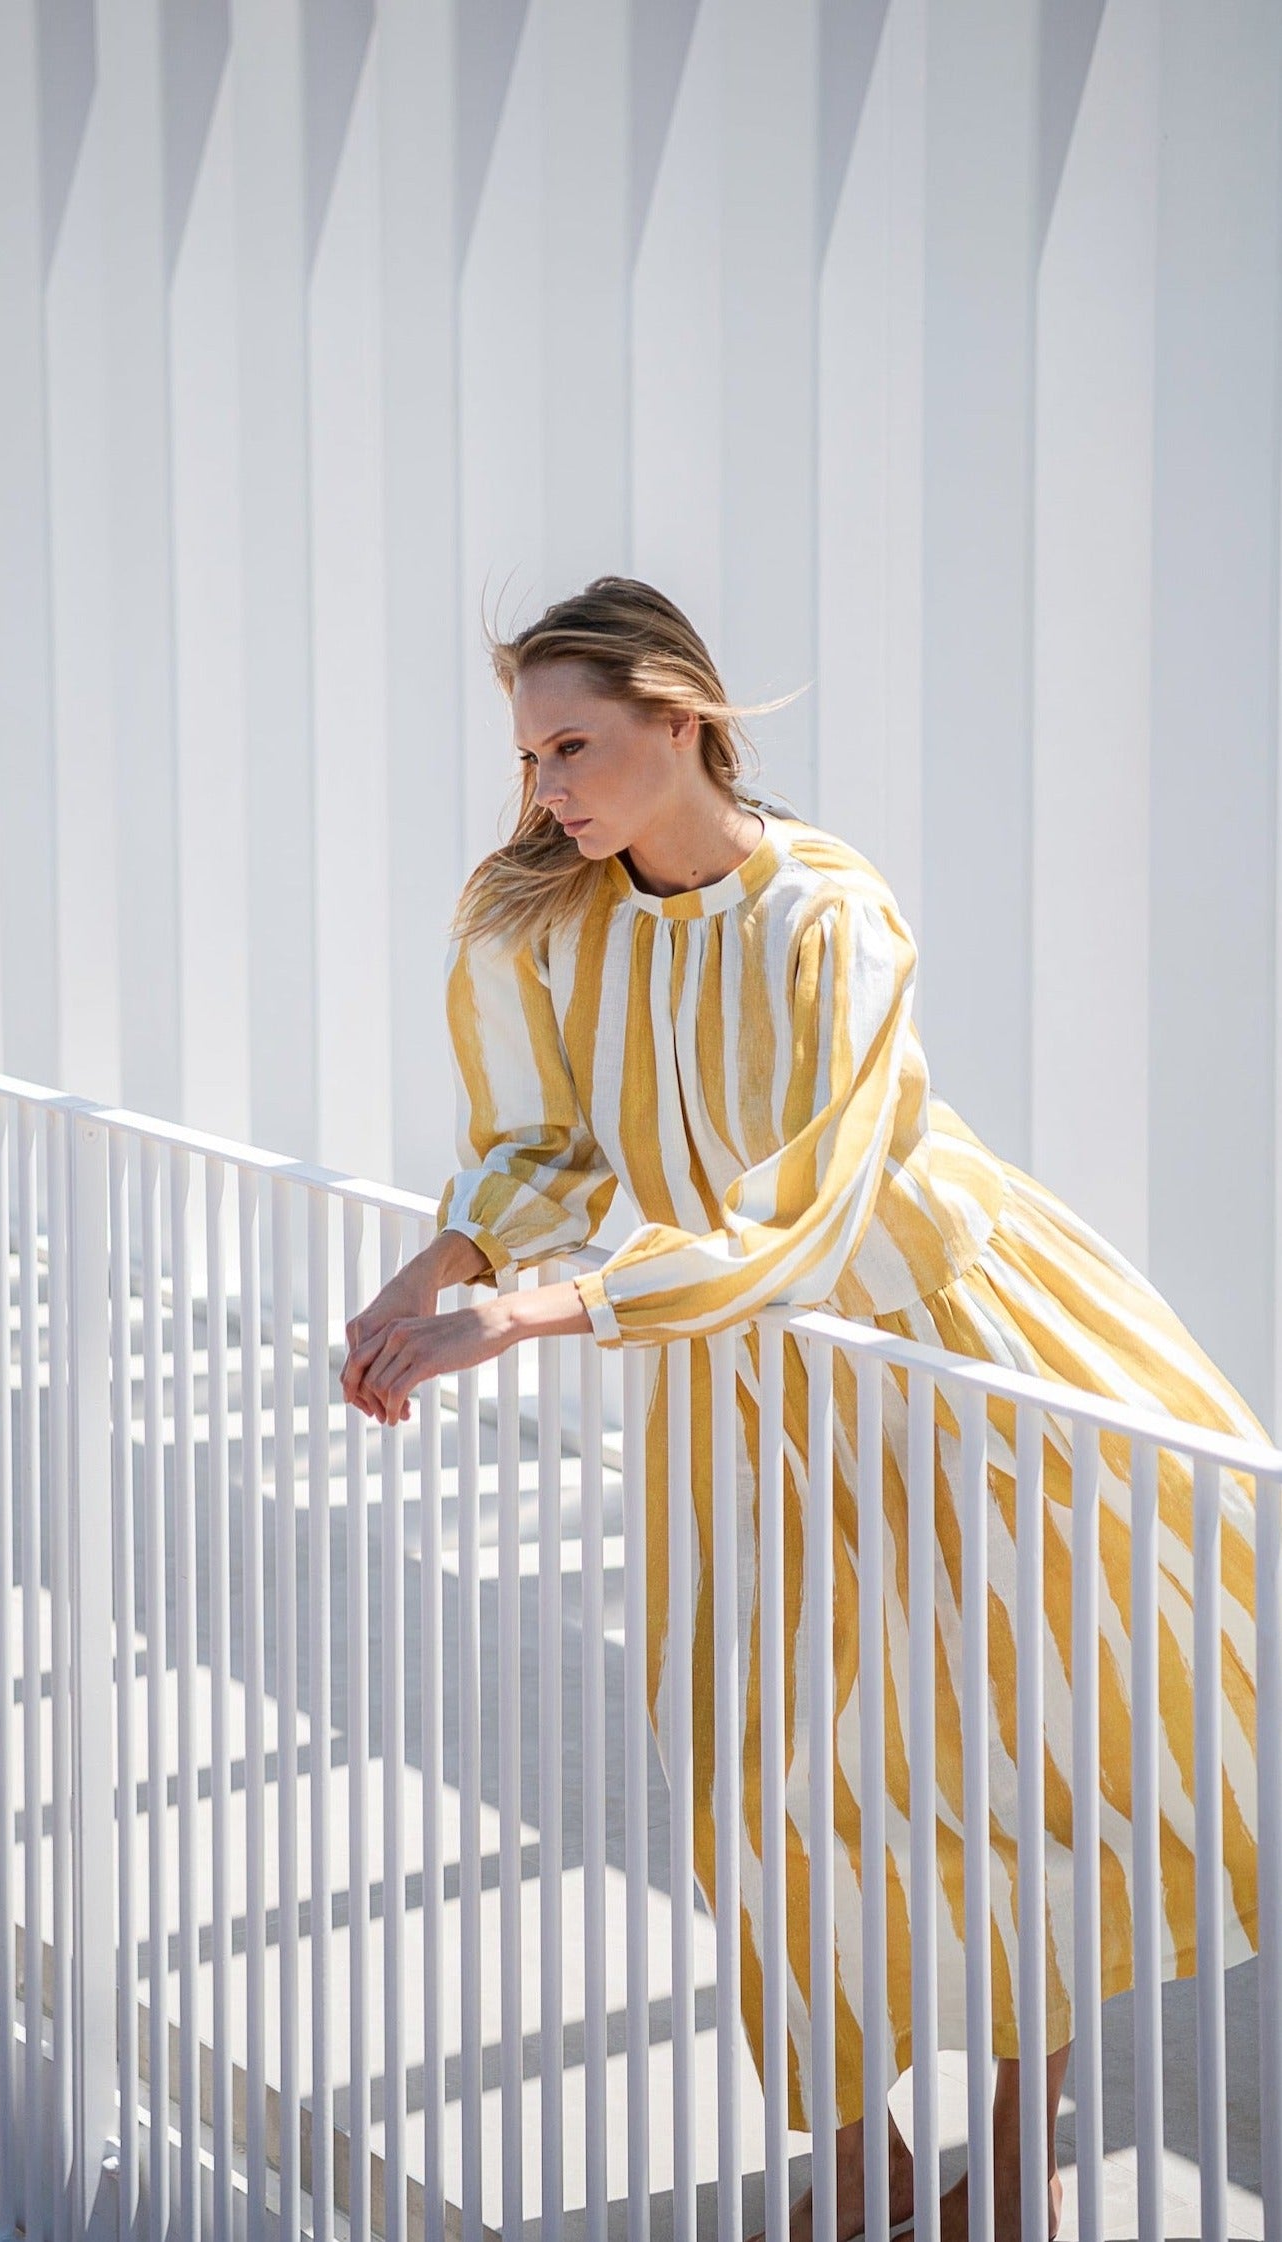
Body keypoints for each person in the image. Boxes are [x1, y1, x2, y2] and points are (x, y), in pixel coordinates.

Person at [337, 575, 1265, 2242]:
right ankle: (856, 2169)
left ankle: (1019, 2147)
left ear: (679, 716)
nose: (545, 787)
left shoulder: (832, 911)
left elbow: (811, 1212)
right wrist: (439, 1265)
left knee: (1005, 1740)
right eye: (531, 752)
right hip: (737, 1381)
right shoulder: (561, 914)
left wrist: (546, 1307)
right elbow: (548, 1144)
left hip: (947, 1347)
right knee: (763, 1775)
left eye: (574, 744)